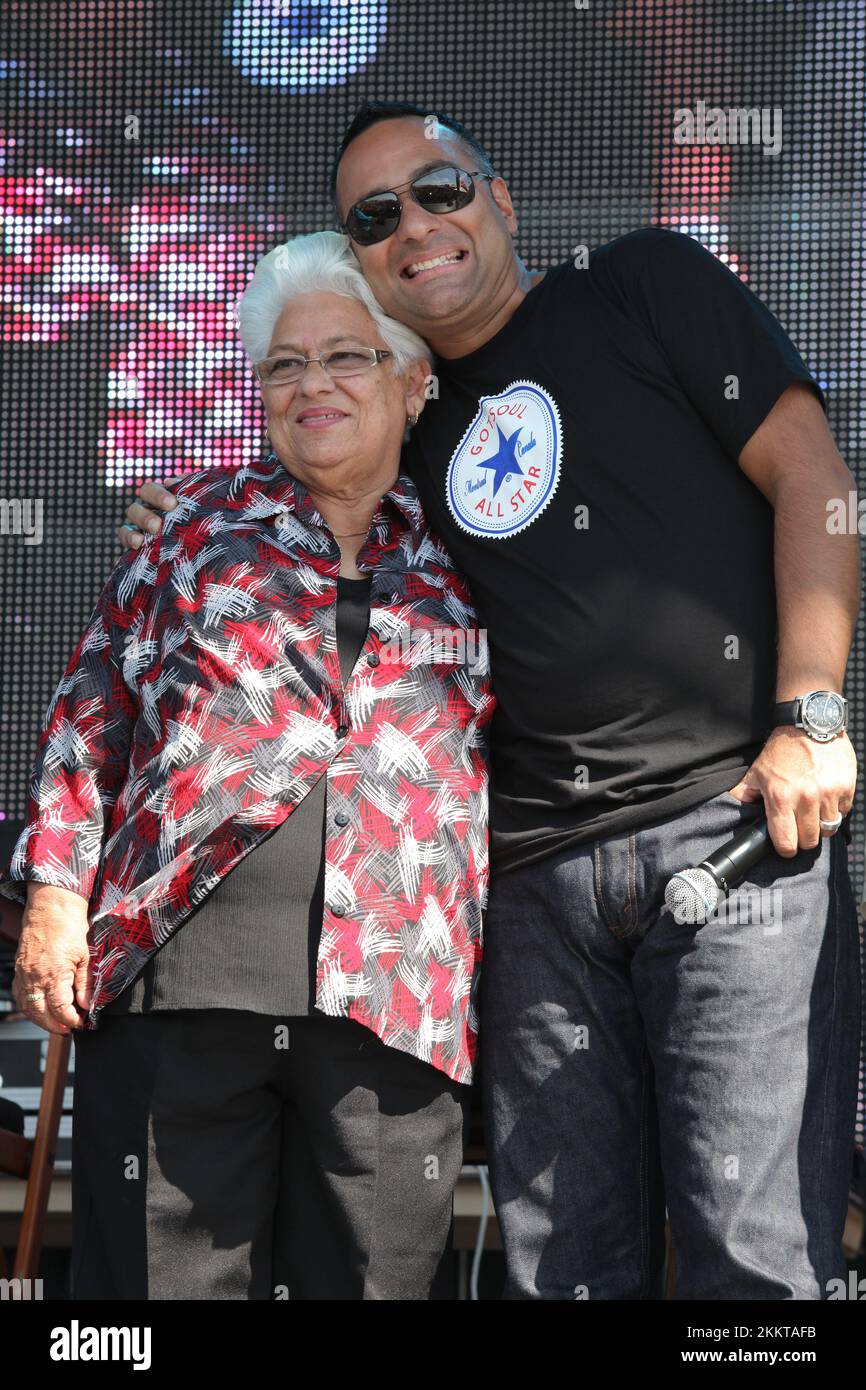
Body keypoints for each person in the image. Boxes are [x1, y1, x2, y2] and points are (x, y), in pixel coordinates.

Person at [122, 99, 862, 1301]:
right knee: (559, 1269)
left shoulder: (644, 281)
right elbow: (296, 502)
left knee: (754, 1255)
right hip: (526, 888)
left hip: (731, 830)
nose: (415, 223)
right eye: (374, 216)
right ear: (358, 258)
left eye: (438, 188)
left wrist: (810, 715)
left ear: (500, 198)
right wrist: (184, 510)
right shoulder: (403, 420)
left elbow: (815, 479)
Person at [0, 229, 495, 1300]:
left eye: (347, 355)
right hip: (182, 986)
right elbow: (91, 715)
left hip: (394, 997)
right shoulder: (189, 531)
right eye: (284, 361)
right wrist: (52, 899)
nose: (312, 382)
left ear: (414, 383)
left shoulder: (477, 554)